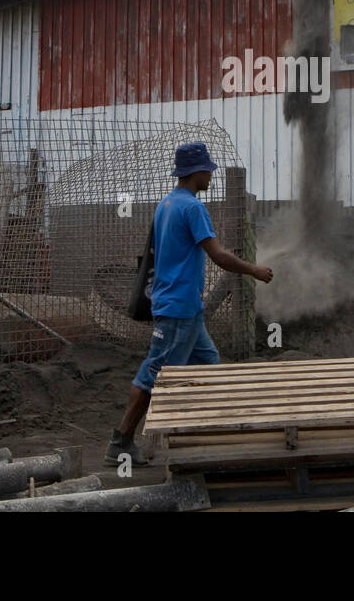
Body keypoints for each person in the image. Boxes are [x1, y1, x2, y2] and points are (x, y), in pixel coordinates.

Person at [105, 142, 275, 466]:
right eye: (208, 169)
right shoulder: (193, 208)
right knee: (152, 376)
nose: (211, 174)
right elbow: (218, 254)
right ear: (195, 171)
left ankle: (204, 437)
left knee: (208, 365)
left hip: (186, 309)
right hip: (178, 309)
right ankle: (120, 442)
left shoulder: (165, 204)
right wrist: (253, 269)